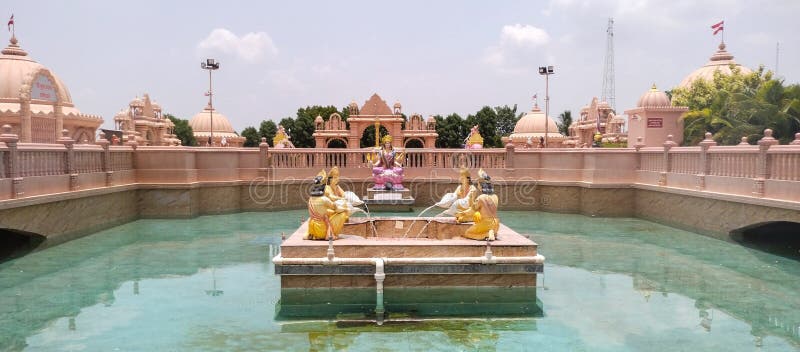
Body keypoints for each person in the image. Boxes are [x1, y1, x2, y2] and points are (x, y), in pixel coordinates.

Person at [456, 168, 500, 241]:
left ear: (482, 186)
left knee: (467, 233)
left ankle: (487, 234)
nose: (478, 186)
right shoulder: (495, 197)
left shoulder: (481, 198)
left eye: (478, 184)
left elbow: (471, 211)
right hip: (496, 224)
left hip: (486, 224)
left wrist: (461, 213)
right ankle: (492, 232)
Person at [305, 169, 350, 240]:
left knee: (328, 214)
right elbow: (337, 209)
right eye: (335, 177)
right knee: (343, 213)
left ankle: (315, 235)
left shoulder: (310, 199)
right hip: (322, 230)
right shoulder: (324, 199)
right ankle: (330, 234)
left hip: (313, 230)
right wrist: (346, 209)